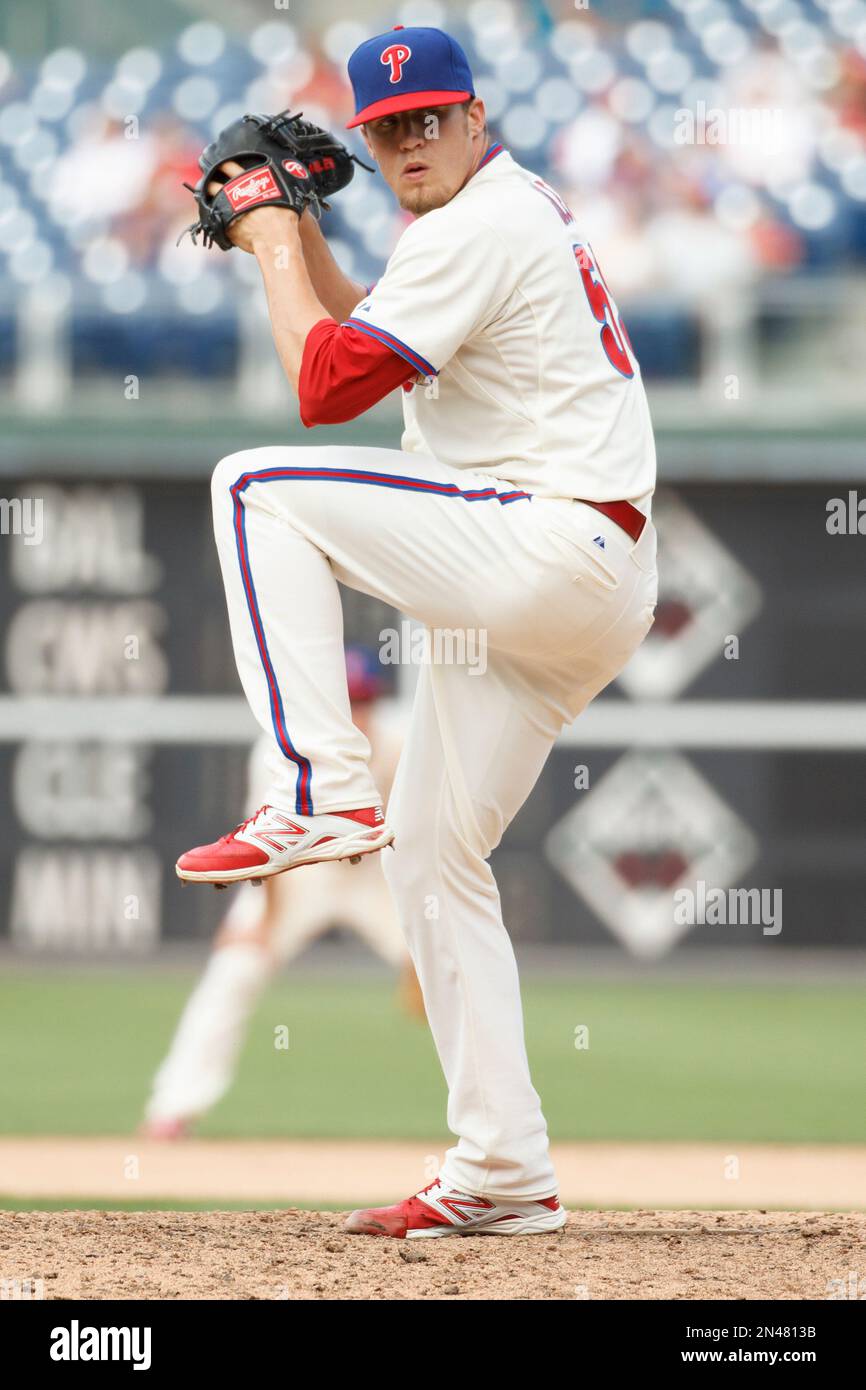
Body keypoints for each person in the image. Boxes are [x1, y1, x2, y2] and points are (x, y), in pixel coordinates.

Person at [176, 25, 658, 1239]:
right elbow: (362, 345)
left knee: (253, 485)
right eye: (386, 128)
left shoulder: (477, 223)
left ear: (476, 117)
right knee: (431, 860)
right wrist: (299, 247)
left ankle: (320, 785)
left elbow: (324, 387)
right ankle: (501, 1171)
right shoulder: (472, 225)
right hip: (571, 586)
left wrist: (273, 233)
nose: (407, 142)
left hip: (545, 543)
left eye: (429, 119)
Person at [142, 645, 420, 1140]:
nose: (356, 712)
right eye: (347, 700)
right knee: (235, 968)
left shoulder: (400, 746)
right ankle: (173, 1108)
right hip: (296, 874)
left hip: (373, 876)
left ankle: (489, 1131)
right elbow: (262, 847)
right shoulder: (282, 750)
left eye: (363, 700)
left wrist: (423, 937)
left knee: (452, 966)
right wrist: (260, 925)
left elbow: (419, 841)